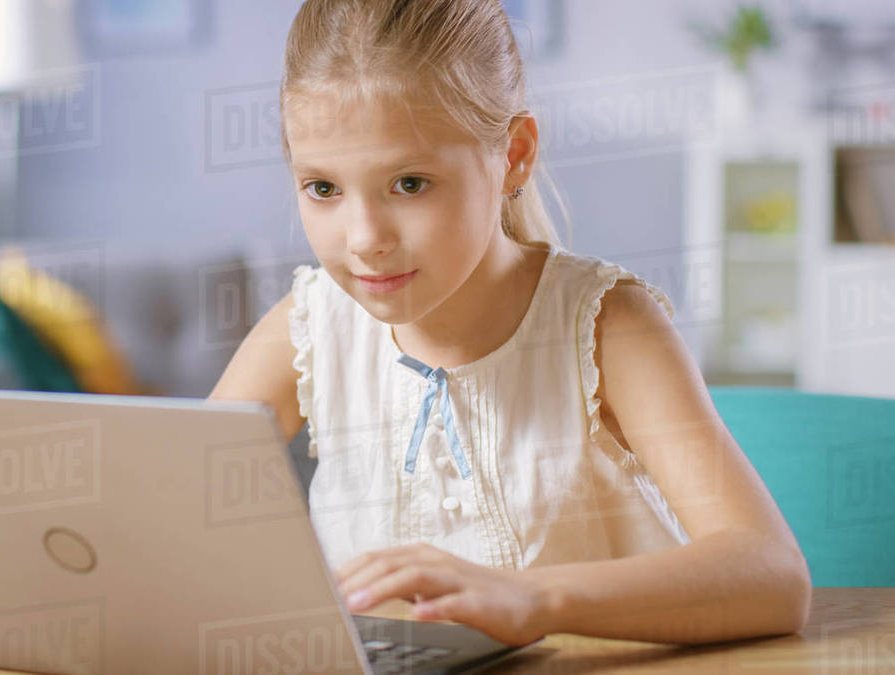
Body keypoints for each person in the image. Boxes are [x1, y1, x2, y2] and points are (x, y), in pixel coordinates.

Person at [210, 0, 810, 647]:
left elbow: (773, 575)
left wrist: (535, 596)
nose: (364, 239)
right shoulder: (306, 328)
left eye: (410, 183)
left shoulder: (609, 326)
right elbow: (156, 513)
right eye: (323, 188)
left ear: (515, 155)